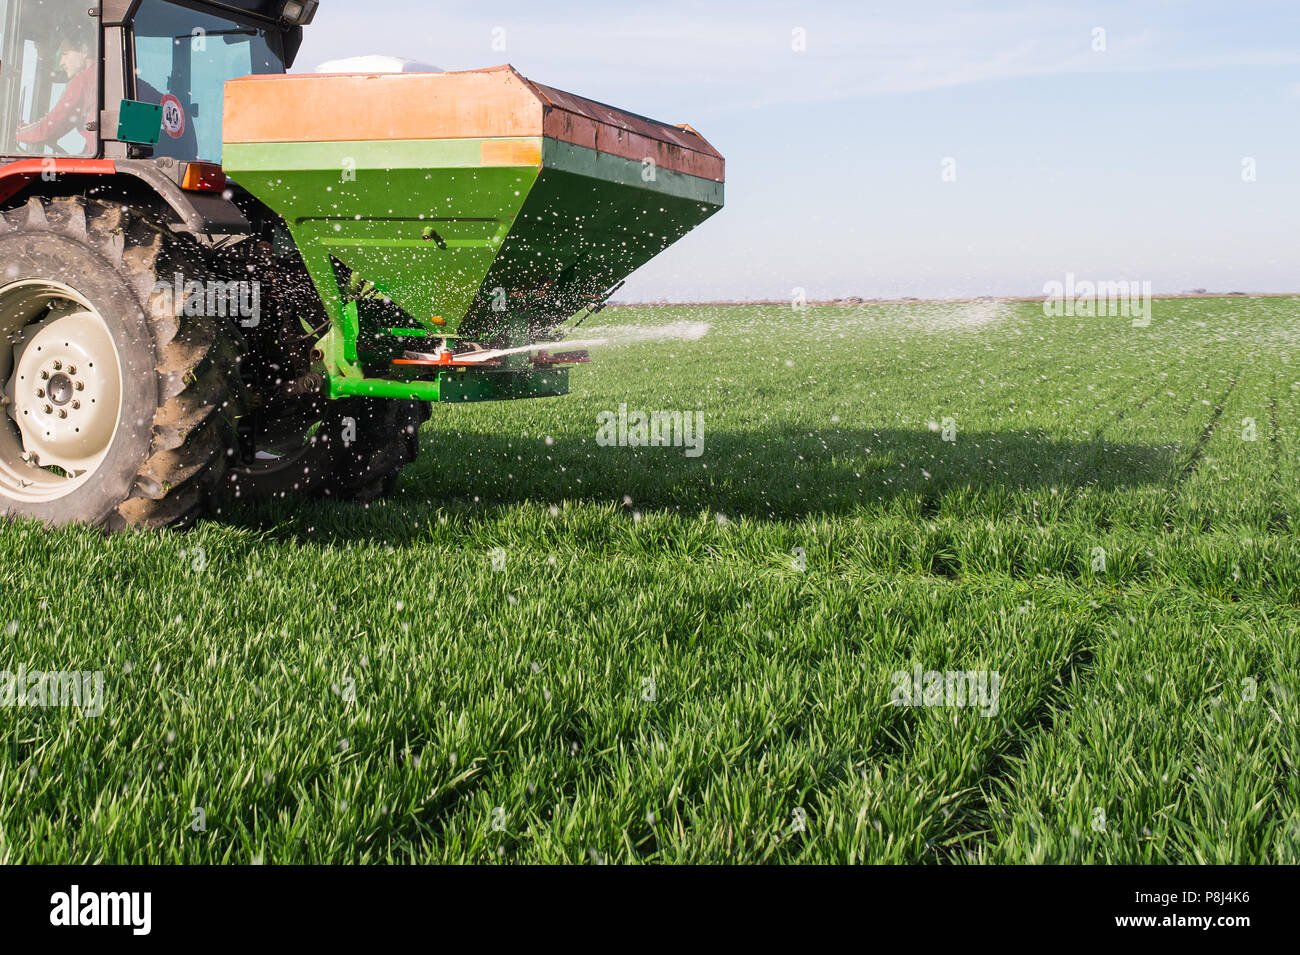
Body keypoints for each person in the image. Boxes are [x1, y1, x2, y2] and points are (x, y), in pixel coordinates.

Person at [16, 36, 96, 155]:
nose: (61, 62)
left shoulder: (82, 81)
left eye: (65, 54)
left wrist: (16, 131)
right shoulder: (98, 77)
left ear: (84, 51)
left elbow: (49, 127)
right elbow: (60, 126)